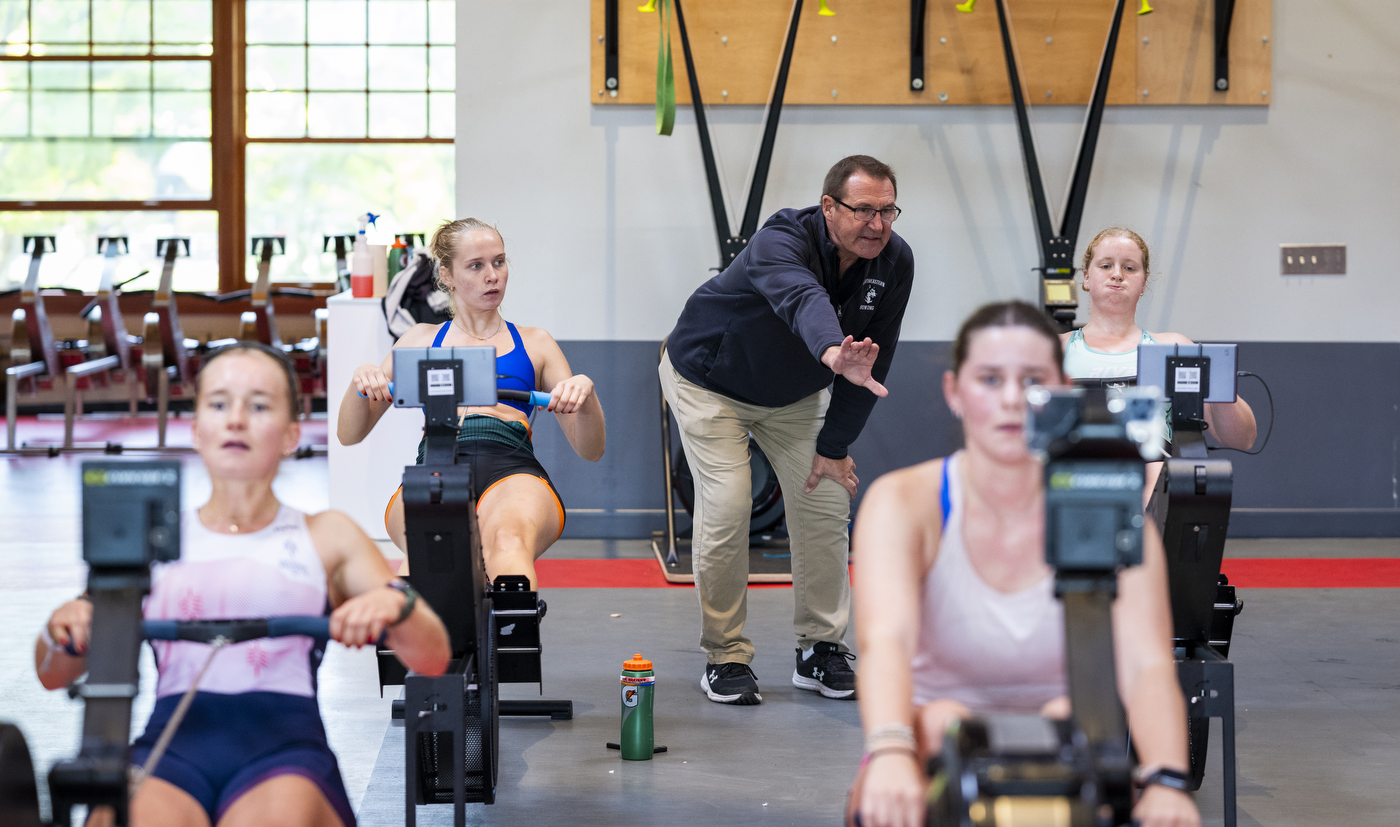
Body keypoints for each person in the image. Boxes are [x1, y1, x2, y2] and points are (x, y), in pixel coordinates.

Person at [36, 342, 452, 827]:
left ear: (292, 433)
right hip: (170, 749)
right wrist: (62, 628)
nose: (236, 420)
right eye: (218, 404)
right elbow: (52, 673)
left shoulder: (328, 535)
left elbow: (434, 658)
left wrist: (394, 607)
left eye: (258, 405)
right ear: (195, 430)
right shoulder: (151, 543)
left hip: (284, 752)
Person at [848, 301, 1199, 827]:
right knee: (937, 730)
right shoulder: (905, 502)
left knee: (1080, 748)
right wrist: (892, 752)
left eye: (1030, 378)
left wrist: (1168, 778)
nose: (1011, 399)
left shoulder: (1108, 510)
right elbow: (886, 643)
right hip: (929, 736)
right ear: (955, 392)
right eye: (989, 379)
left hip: (1067, 742)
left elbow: (1146, 663)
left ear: (1059, 388)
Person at [661, 154, 915, 706]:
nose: (878, 225)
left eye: (888, 211)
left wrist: (835, 446)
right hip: (709, 380)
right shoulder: (780, 240)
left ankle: (820, 649)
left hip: (794, 395)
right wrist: (831, 350)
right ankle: (725, 655)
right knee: (729, 504)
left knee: (825, 499)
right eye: (864, 210)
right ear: (829, 207)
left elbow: (875, 358)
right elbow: (803, 299)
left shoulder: (894, 261)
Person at [338, 217, 605, 590]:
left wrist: (586, 397)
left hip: (511, 466)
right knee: (423, 559)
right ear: (446, 275)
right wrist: (360, 382)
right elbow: (350, 434)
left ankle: (511, 644)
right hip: (437, 462)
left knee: (508, 545)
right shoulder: (419, 339)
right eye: (476, 266)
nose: (492, 275)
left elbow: (590, 449)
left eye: (499, 261)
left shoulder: (536, 343)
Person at [1064, 226, 1257, 493]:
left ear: (1143, 284)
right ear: (1086, 278)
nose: (1117, 275)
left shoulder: (1173, 348)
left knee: (1155, 472)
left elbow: (1242, 439)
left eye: (1130, 268)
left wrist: (1219, 384)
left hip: (1150, 481)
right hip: (1072, 478)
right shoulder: (1055, 349)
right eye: (1106, 265)